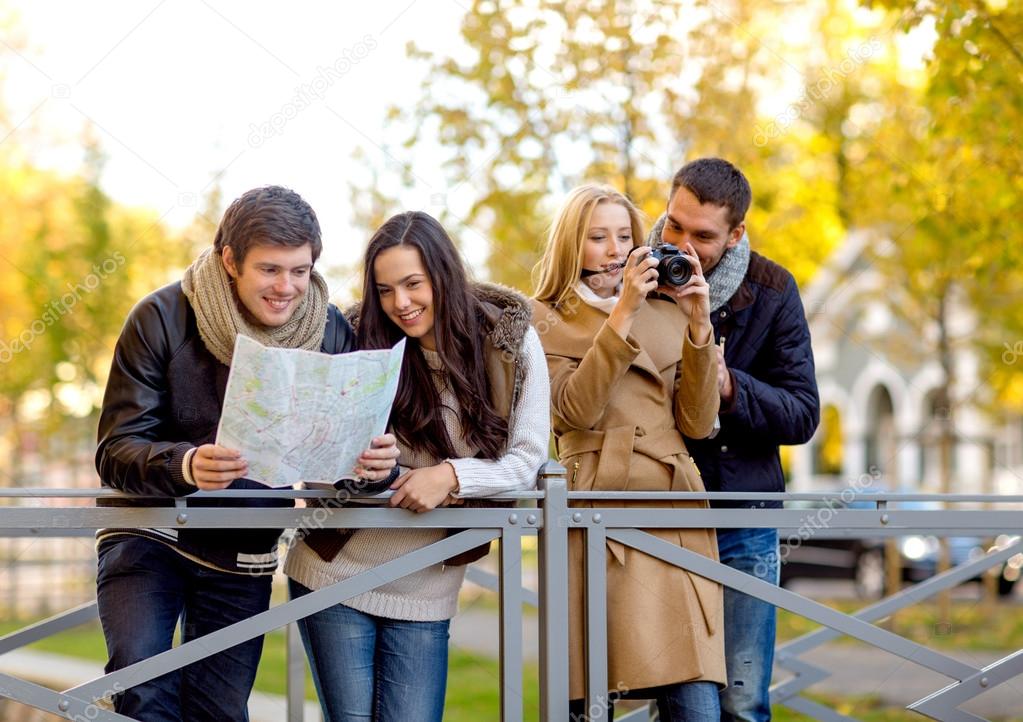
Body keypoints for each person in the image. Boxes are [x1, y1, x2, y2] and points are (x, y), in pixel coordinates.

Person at [94, 186, 400, 722]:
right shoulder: (160, 317)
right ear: (229, 260)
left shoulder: (330, 331)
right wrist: (185, 464)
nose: (286, 288)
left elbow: (343, 463)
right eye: (269, 270)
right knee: (142, 692)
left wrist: (377, 469)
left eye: (300, 271)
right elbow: (116, 448)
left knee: (220, 712)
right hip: (148, 534)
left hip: (244, 548)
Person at [284, 210, 550, 722]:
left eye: (413, 284)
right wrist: (360, 468)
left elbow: (528, 460)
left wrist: (452, 475)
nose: (400, 303)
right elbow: (316, 459)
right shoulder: (358, 339)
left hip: (427, 584)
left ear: (443, 274)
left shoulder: (508, 341)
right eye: (385, 290)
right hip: (333, 569)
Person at [532, 184, 725, 720]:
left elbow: (697, 423)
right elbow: (574, 411)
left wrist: (700, 324)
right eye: (598, 237)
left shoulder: (670, 310)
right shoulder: (542, 318)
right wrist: (622, 314)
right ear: (572, 244)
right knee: (592, 692)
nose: (614, 249)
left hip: (671, 510)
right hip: (593, 512)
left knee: (695, 699)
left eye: (624, 236)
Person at [648, 158, 820, 722]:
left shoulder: (774, 289)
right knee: (673, 699)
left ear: (736, 233)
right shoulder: (632, 278)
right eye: (674, 225)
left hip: (741, 517)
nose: (683, 247)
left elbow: (802, 414)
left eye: (703, 236)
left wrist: (728, 386)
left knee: (742, 703)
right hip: (654, 514)